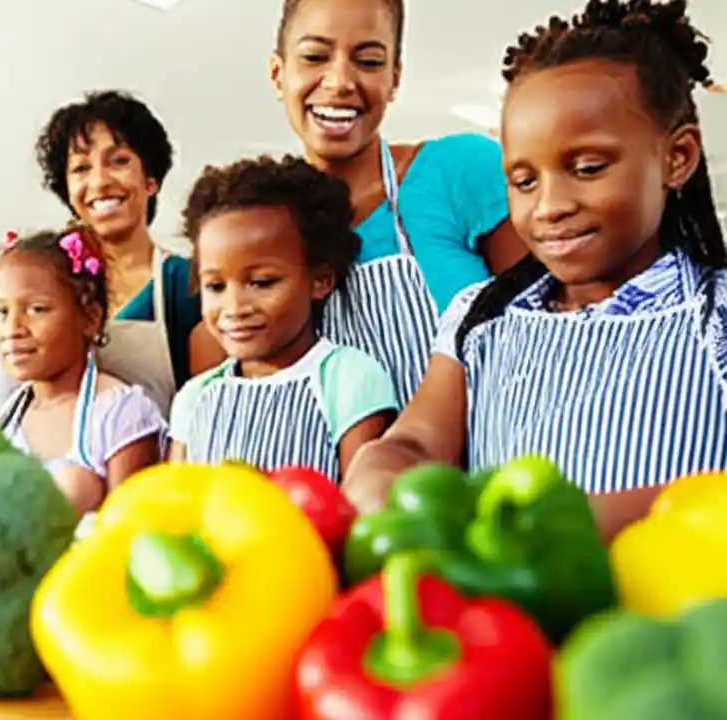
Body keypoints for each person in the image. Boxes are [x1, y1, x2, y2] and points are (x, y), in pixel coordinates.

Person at [343, 0, 727, 541]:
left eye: (587, 168)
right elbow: (416, 443)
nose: (549, 206)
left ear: (677, 158)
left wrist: (547, 532)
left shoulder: (716, 314)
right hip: (503, 595)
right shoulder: (482, 319)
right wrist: (380, 475)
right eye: (524, 181)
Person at [269, 0, 526, 406]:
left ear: (395, 77)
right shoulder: (267, 232)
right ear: (278, 75)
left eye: (369, 61)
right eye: (315, 57)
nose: (339, 82)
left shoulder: (461, 171)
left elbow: (545, 330)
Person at [0, 90, 222, 420]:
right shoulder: (49, 278)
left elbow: (207, 410)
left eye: (119, 161)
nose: (99, 181)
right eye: (81, 168)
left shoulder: (186, 283)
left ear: (151, 180)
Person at [168, 155, 396, 478]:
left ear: (320, 280)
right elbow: (174, 500)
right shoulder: (194, 399)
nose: (235, 307)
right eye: (216, 286)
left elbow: (362, 497)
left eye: (262, 282)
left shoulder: (348, 379)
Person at [0, 225, 165, 515]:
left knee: (76, 483)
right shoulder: (8, 419)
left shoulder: (117, 413)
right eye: (1, 312)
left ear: (91, 319)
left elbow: (128, 527)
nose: (12, 328)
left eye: (36, 309)